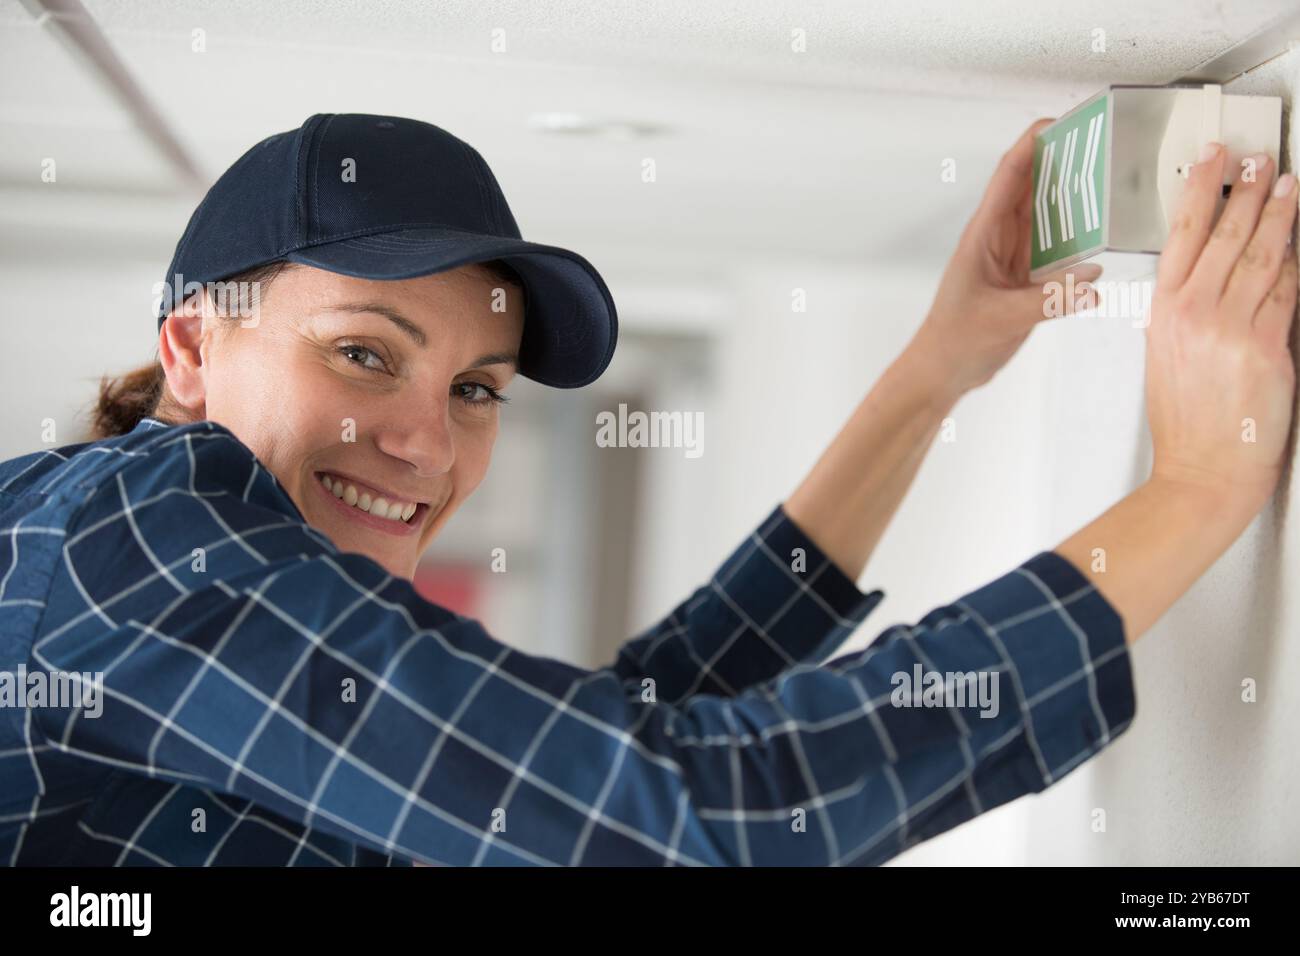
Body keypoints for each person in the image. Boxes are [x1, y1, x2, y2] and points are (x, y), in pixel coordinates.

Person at [0, 114, 1293, 866]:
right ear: (190, 346)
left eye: (477, 388)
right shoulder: (145, 536)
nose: (425, 445)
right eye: (363, 353)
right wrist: (1192, 491)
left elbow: (630, 731)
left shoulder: (118, 552)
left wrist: (931, 375)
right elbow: (674, 820)